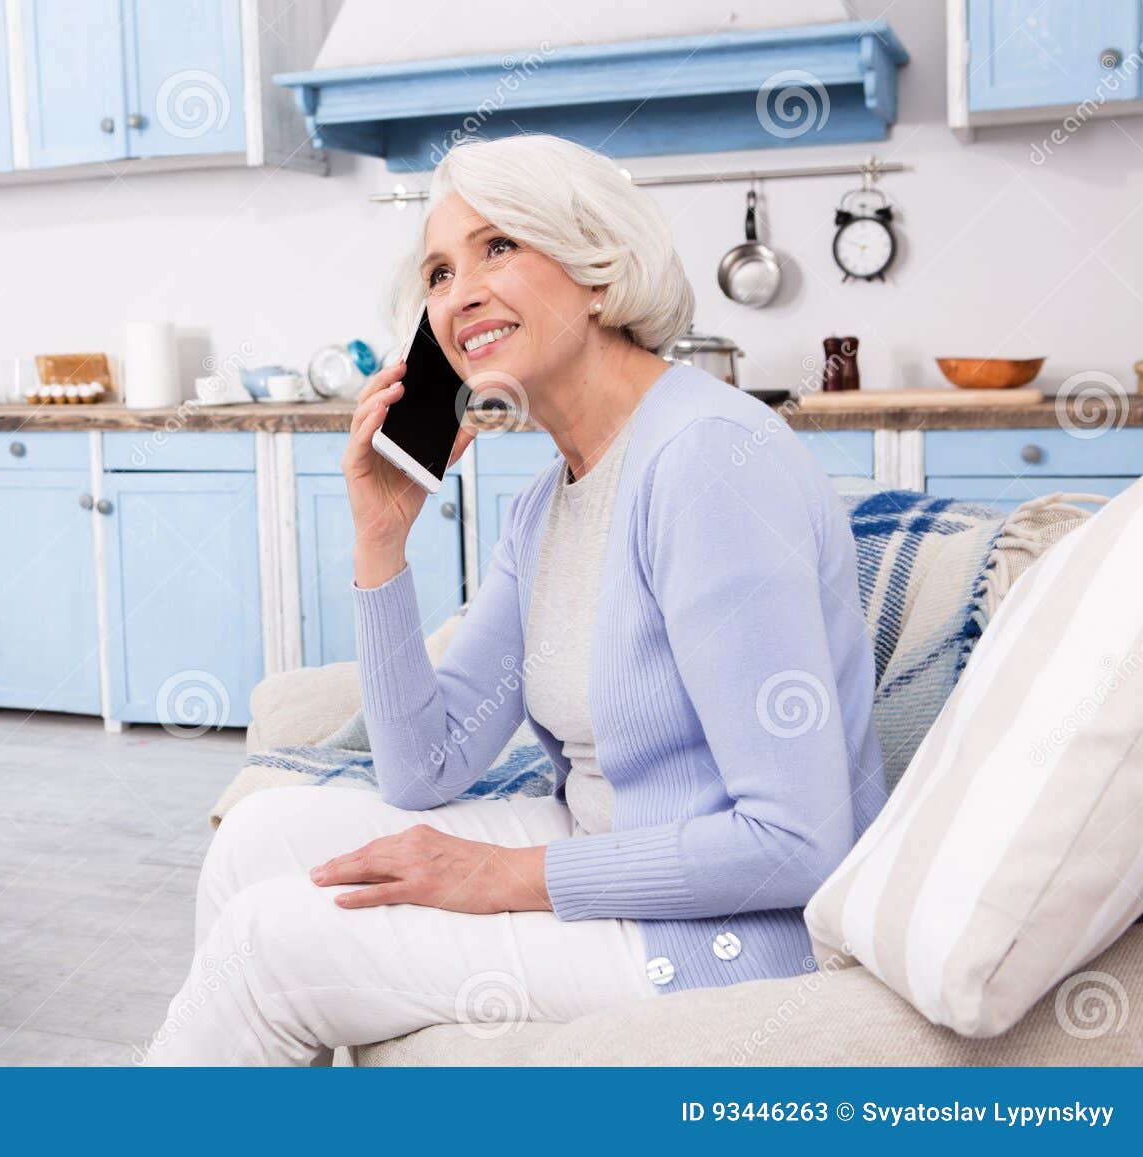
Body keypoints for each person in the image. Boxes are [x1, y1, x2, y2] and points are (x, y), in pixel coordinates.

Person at [144, 134, 883, 1066]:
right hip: (608, 844)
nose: (460, 294)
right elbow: (425, 767)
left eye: (500, 248)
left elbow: (799, 842)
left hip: (723, 940)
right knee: (257, 837)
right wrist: (382, 538)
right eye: (440, 272)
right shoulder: (546, 502)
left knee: (271, 944)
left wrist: (497, 875)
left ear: (599, 275)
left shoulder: (705, 464)